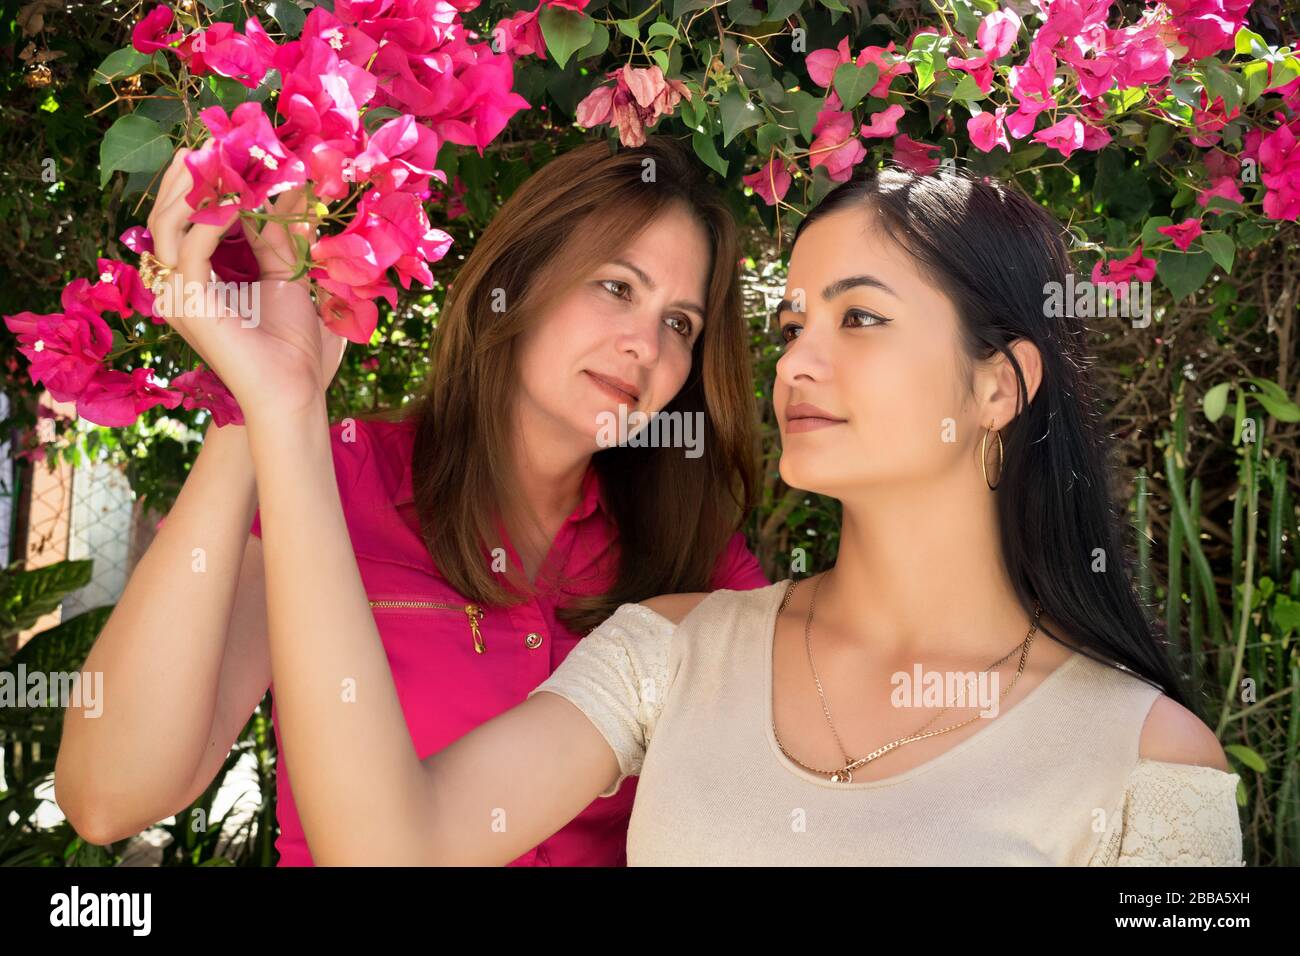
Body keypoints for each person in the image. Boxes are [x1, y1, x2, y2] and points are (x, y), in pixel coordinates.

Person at [136, 156, 1244, 866]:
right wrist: (281, 409)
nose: (796, 360)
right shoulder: (669, 645)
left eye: (858, 320)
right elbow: (387, 849)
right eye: (793, 321)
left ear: (995, 387)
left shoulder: (1153, 763)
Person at [55, 136, 771, 866]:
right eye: (618, 287)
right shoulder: (331, 475)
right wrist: (266, 400)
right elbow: (109, 797)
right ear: (517, 279)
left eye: (679, 324)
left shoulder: (698, 554)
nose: (646, 346)